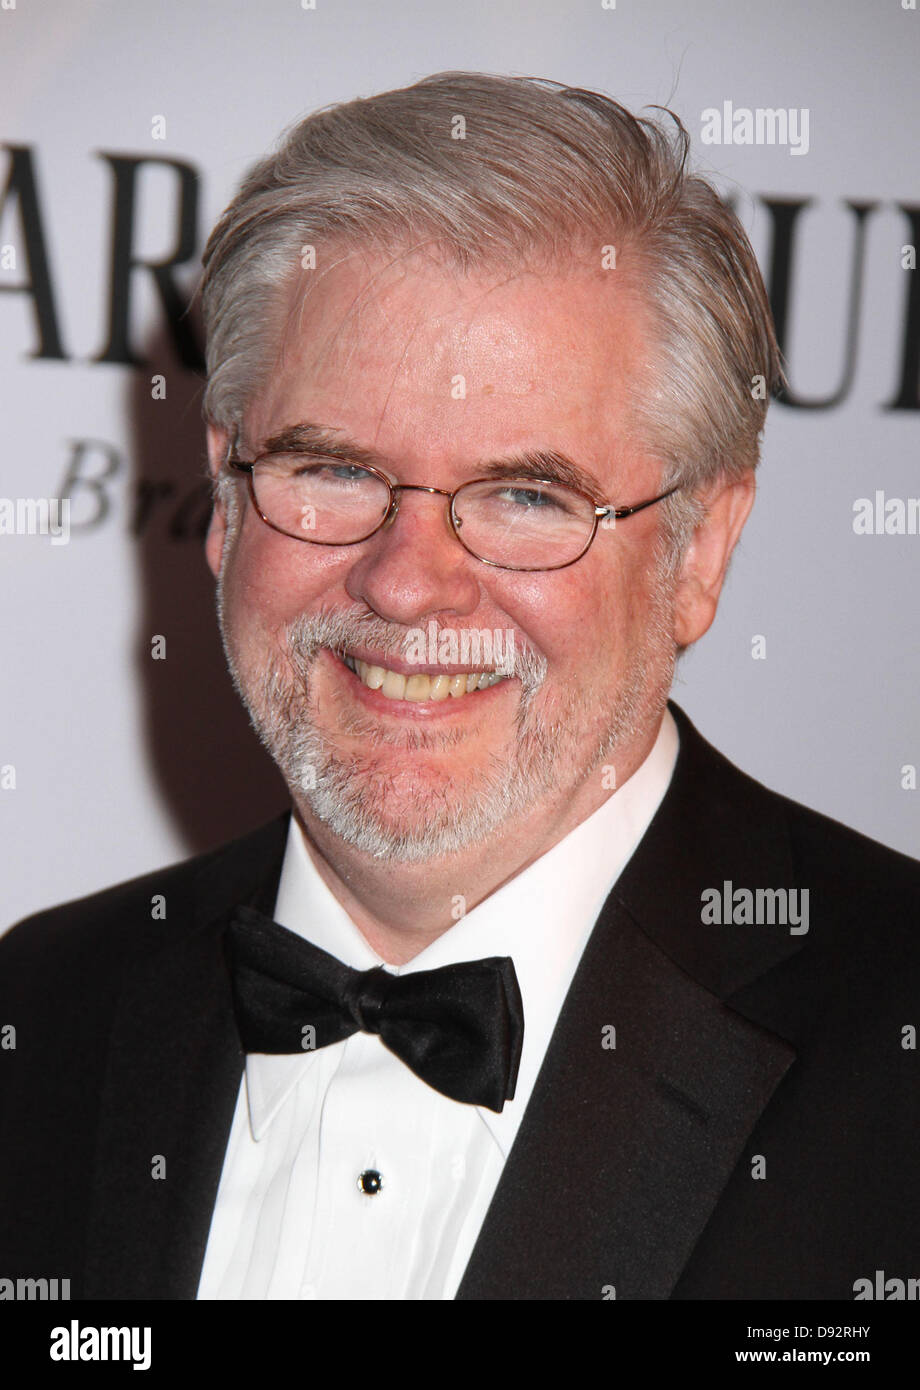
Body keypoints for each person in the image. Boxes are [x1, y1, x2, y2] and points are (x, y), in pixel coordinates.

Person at [1, 72, 917, 1303]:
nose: (406, 585)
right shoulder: (43, 1014)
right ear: (224, 497)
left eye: (525, 496)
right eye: (331, 467)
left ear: (696, 551)